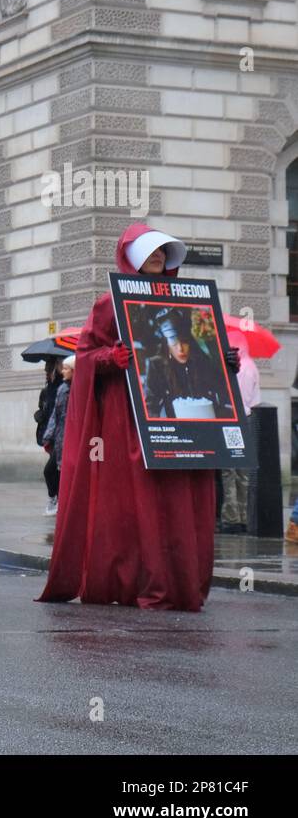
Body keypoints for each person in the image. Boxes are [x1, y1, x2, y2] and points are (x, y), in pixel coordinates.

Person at [40, 224, 238, 611]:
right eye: (150, 251)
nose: (158, 256)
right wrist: (110, 358)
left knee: (178, 498)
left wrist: (225, 361)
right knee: (138, 501)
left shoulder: (186, 301)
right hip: (128, 419)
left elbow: (202, 354)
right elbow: (84, 357)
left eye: (163, 251)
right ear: (130, 256)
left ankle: (179, 580)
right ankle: (132, 580)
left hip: (183, 422)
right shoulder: (107, 304)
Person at [141, 310, 232, 419]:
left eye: (184, 342)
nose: (180, 349)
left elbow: (223, 393)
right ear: (167, 344)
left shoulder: (202, 361)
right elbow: (150, 407)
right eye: (174, 343)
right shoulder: (156, 366)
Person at [218, 331, 260, 532]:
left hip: (232, 420)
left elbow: (232, 397)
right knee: (243, 471)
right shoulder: (253, 366)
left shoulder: (238, 368)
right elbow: (254, 400)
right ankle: (243, 515)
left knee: (229, 470)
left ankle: (231, 517)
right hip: (248, 419)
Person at [41, 354, 73, 505]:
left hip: (69, 438)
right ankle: (57, 500)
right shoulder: (59, 388)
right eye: (62, 367)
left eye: (66, 368)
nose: (63, 370)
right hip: (59, 437)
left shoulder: (71, 389)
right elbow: (55, 413)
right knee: (52, 470)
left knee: (59, 471)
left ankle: (61, 501)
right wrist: (48, 434)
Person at [34, 356, 62, 515]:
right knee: (56, 471)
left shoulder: (62, 388)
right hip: (50, 437)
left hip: (61, 436)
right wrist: (39, 415)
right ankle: (57, 500)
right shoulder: (46, 391)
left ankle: (55, 499)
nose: (45, 373)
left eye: (48, 370)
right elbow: (45, 411)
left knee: (50, 470)